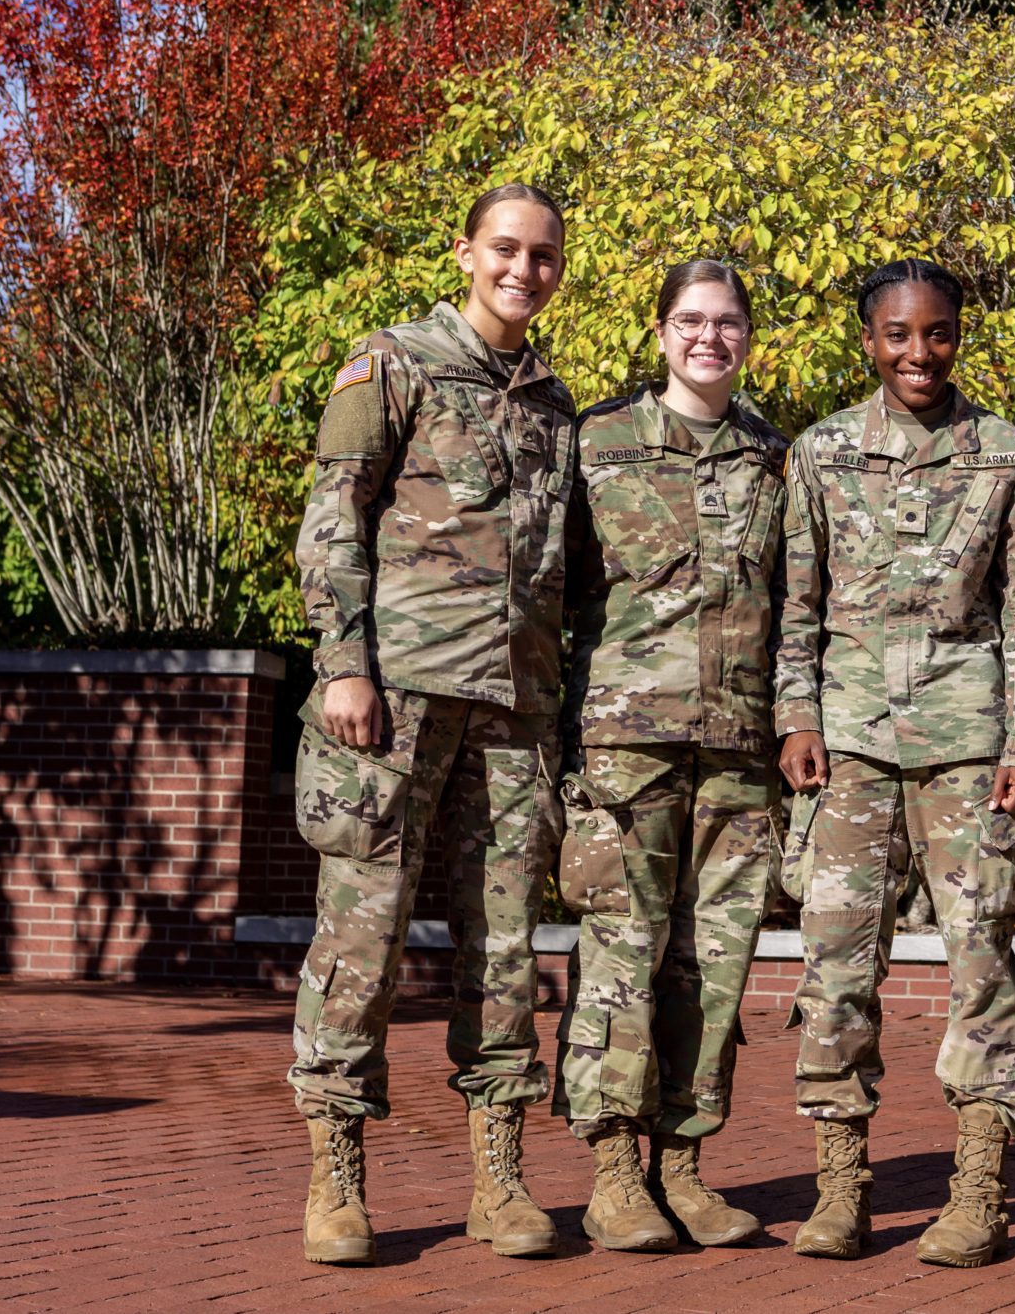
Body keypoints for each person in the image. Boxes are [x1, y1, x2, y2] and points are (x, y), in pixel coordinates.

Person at [287, 183, 576, 1266]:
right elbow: (333, 517)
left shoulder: (552, 400)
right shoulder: (393, 361)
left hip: (513, 712)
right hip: (394, 704)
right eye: (505, 248)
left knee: (503, 946)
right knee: (360, 941)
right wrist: (344, 665)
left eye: (542, 255)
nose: (522, 269)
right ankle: (336, 1175)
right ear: (465, 252)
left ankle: (498, 1177)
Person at [774, 257, 1015, 1267]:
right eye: (897, 334)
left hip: (968, 746)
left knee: (983, 960)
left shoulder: (1007, 456)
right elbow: (795, 604)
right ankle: (839, 1186)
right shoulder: (820, 452)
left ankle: (978, 1188)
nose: (918, 352)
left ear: (958, 337)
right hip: (848, 745)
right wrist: (793, 717)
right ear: (869, 342)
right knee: (835, 966)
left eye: (936, 332)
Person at [553, 259, 791, 1252]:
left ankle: (683, 1165)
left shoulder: (774, 458)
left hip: (736, 750)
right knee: (622, 954)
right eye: (690, 320)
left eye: (727, 322)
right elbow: (552, 591)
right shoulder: (596, 444)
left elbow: (792, 605)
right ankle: (613, 1173)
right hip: (623, 745)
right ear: (659, 333)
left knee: (715, 965)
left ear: (747, 337)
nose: (708, 337)